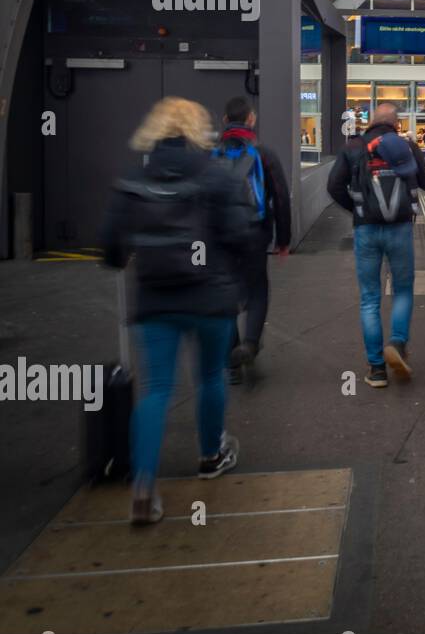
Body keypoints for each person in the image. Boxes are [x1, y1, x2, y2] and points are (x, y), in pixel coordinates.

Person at [101, 97, 247, 525]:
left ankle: (145, 485)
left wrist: (123, 257)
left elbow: (110, 244)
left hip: (156, 298)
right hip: (210, 296)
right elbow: (240, 233)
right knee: (209, 377)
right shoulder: (215, 175)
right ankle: (210, 455)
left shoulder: (133, 178)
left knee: (157, 389)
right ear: (196, 130)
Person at [327, 101, 425, 388]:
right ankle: (397, 344)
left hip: (366, 230)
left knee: (370, 298)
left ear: (371, 121)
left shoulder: (353, 148)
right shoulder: (406, 147)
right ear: (396, 124)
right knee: (401, 290)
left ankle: (376, 369)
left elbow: (333, 187)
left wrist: (358, 208)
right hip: (399, 228)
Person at [213, 96, 292, 383]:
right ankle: (249, 343)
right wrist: (284, 240)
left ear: (224, 121)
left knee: (225, 296)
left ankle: (231, 363)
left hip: (220, 237)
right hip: (254, 234)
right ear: (250, 120)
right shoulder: (264, 154)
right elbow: (281, 197)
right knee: (257, 289)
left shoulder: (213, 154)